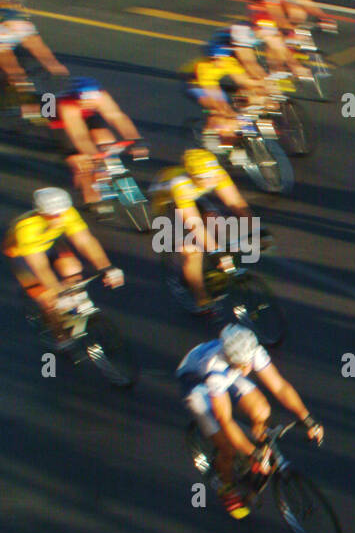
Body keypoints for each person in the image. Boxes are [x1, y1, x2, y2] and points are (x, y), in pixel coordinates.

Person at [177, 324, 323, 519]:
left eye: (248, 364)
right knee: (227, 447)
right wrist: (253, 453)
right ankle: (226, 487)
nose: (247, 370)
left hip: (228, 372)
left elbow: (279, 387)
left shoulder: (251, 350)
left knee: (262, 410)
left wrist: (307, 418)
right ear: (231, 358)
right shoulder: (216, 370)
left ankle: (254, 448)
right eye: (243, 365)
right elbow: (226, 420)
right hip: (197, 382)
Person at [4, 187, 123, 339]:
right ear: (41, 212)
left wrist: (107, 267)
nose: (58, 218)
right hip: (23, 256)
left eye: (62, 212)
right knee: (49, 298)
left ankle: (72, 304)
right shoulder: (27, 227)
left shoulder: (68, 213)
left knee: (72, 269)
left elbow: (85, 241)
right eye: (53, 215)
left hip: (49, 244)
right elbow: (39, 266)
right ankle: (60, 335)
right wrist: (57, 293)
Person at [149, 148, 258, 311]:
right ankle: (201, 297)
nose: (210, 181)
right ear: (193, 176)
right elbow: (195, 224)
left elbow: (236, 203)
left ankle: (216, 267)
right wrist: (217, 251)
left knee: (217, 223)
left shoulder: (216, 173)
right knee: (193, 252)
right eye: (204, 178)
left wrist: (257, 230)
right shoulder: (180, 184)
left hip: (192, 198)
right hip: (168, 204)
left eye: (212, 176)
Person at [49, 77, 145, 208]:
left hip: (88, 116)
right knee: (83, 162)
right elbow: (79, 136)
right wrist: (93, 157)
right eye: (85, 100)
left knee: (105, 138)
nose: (88, 102)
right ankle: (90, 196)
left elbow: (117, 116)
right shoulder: (66, 105)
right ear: (77, 97)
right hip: (63, 123)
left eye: (91, 99)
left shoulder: (101, 96)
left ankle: (109, 169)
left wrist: (136, 140)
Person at [183, 41, 267, 151]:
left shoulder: (229, 62)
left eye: (221, 59)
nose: (218, 63)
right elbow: (213, 93)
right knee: (219, 110)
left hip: (213, 83)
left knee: (235, 106)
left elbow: (243, 80)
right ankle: (209, 137)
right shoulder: (204, 68)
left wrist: (263, 84)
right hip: (196, 86)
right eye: (215, 59)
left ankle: (243, 132)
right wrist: (225, 112)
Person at [0, 6, 66, 118]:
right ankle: (50, 107)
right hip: (17, 22)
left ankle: (33, 109)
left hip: (6, 28)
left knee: (14, 72)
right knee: (50, 63)